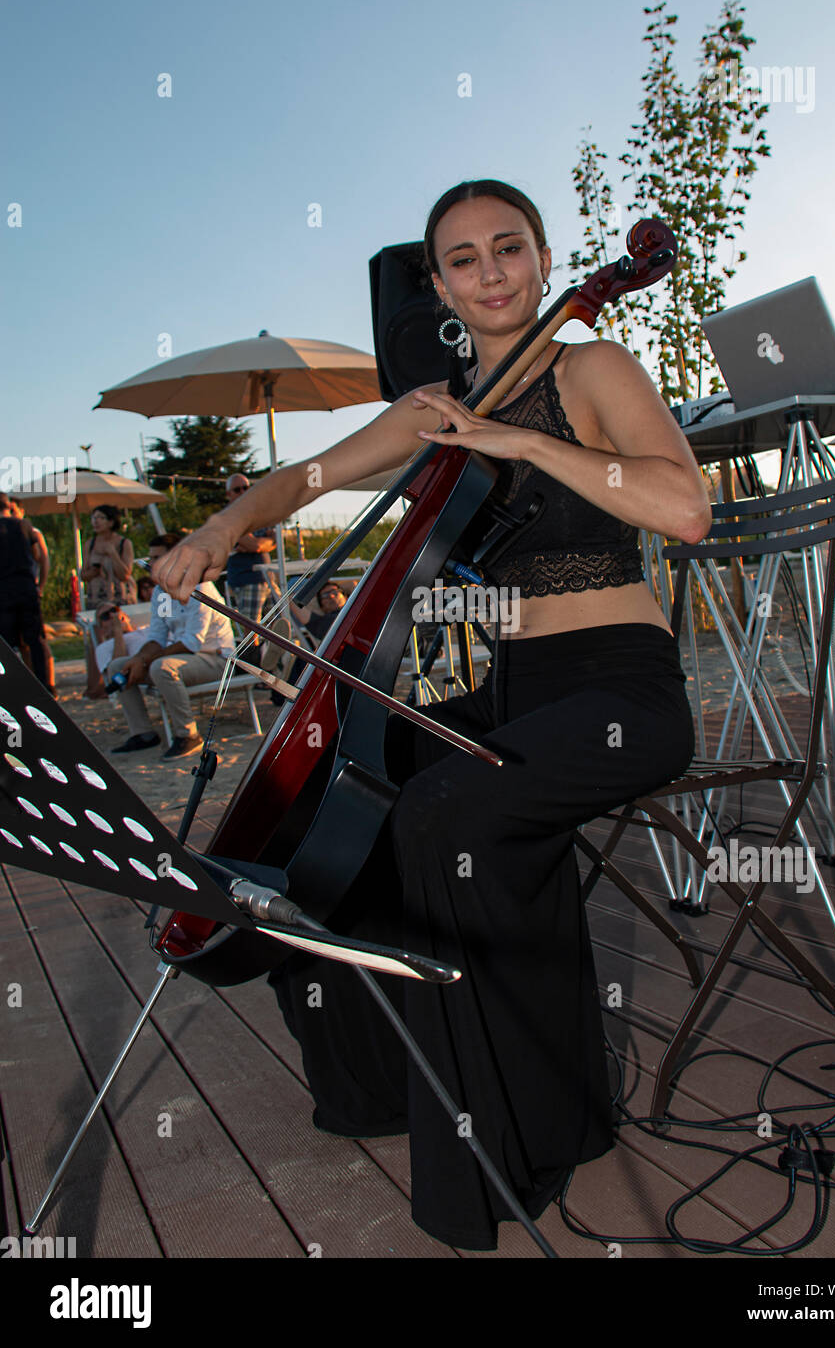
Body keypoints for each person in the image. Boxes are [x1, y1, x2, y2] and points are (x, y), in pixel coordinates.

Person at [151, 179, 711, 1250]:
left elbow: (682, 505)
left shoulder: (587, 367)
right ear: (442, 284)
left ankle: (501, 1143)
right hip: (510, 697)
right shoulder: (430, 408)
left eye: (509, 248)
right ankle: (374, 1082)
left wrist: (527, 445)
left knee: (442, 810)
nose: (490, 271)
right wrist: (224, 524)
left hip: (618, 688)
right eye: (463, 258)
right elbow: (302, 476)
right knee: (328, 794)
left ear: (543, 261)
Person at [107, 531, 235, 758]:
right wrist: (138, 659)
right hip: (187, 657)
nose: (152, 564)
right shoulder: (162, 592)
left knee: (162, 667)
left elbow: (192, 643)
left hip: (217, 659)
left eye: (157, 558)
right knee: (119, 666)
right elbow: (157, 636)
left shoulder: (200, 588)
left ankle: (188, 735)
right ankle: (143, 734)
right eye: (151, 558)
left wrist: (146, 660)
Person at [80, 505, 137, 696]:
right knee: (96, 638)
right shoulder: (90, 543)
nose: (95, 522)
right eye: (93, 518)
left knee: (122, 636)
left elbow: (126, 573)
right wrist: (95, 570)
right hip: (97, 597)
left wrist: (112, 554)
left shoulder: (123, 543)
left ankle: (123, 676)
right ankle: (96, 686)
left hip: (121, 597)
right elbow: (84, 574)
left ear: (111, 521)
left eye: (100, 518)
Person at [0, 491, 53, 691]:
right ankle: (45, 686)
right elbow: (38, 555)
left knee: (7, 645)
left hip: (3, 590)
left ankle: (12, 688)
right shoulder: (24, 525)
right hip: (26, 586)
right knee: (35, 640)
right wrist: (40, 585)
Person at [223, 474, 278, 663]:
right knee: (252, 627)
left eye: (246, 487)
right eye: (238, 489)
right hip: (247, 578)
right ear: (229, 494)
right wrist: (266, 542)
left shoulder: (259, 514)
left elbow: (270, 541)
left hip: (267, 577)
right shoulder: (230, 516)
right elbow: (253, 544)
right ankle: (254, 669)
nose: (243, 492)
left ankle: (273, 667)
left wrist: (262, 543)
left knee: (278, 624)